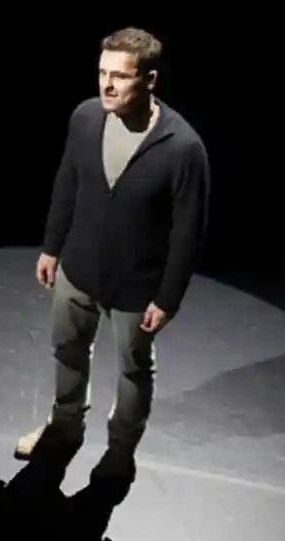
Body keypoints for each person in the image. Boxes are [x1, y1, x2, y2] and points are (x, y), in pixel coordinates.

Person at [15, 27, 211, 469]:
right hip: (78, 268)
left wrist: (167, 297)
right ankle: (63, 428)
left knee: (133, 371)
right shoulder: (86, 117)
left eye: (119, 76)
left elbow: (187, 231)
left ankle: (120, 450)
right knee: (67, 351)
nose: (106, 84)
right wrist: (51, 247)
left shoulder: (183, 148)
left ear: (149, 80)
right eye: (102, 72)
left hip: (135, 285)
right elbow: (67, 182)